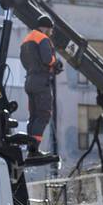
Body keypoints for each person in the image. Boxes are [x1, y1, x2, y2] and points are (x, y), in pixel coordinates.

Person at [19, 14, 64, 154]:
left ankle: (30, 148)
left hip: (30, 81)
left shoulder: (26, 40)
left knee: (33, 116)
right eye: (50, 29)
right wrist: (56, 64)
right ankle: (34, 149)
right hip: (41, 82)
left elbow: (25, 62)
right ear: (46, 27)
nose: (51, 32)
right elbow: (47, 59)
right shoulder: (43, 38)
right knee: (44, 114)